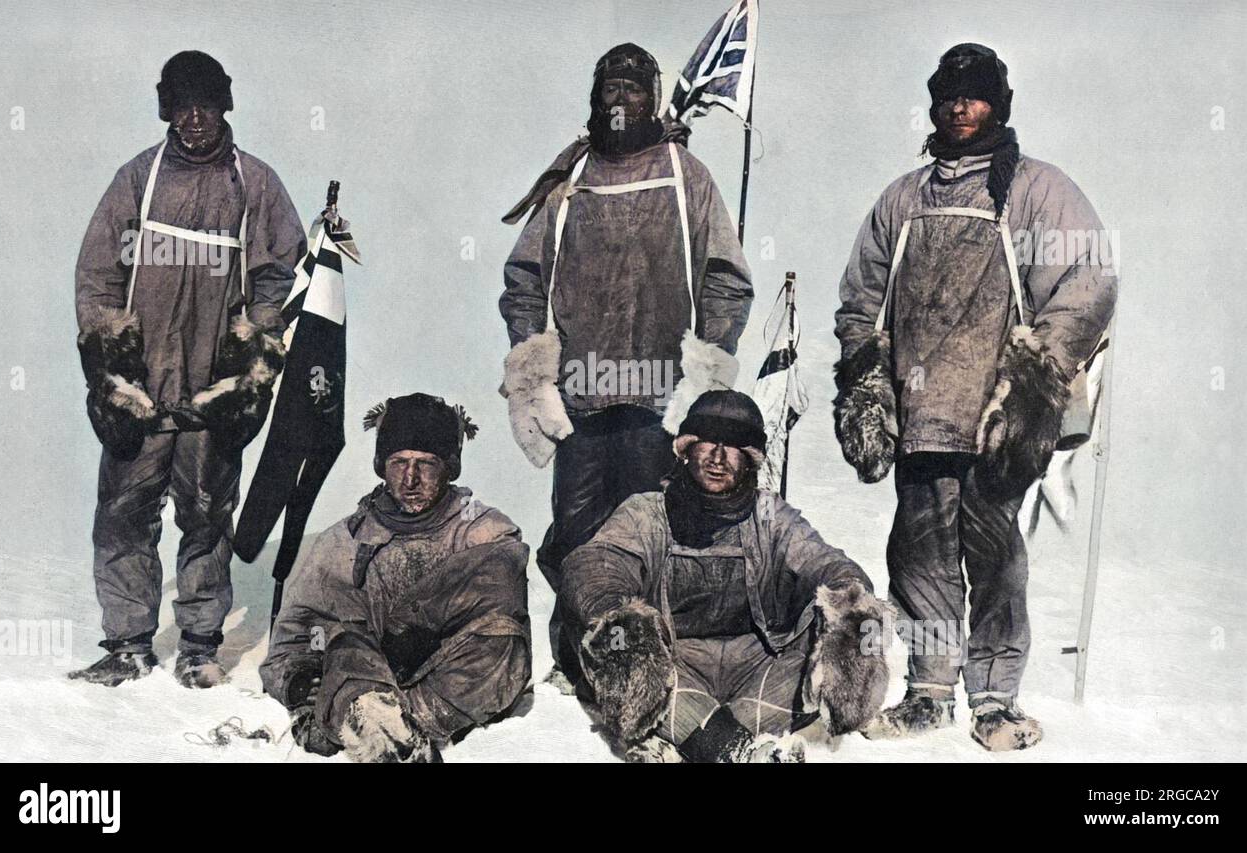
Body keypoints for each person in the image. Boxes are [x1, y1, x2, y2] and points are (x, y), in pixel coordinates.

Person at [833, 43, 1117, 750]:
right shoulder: (904, 199)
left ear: (999, 104)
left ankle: (995, 700)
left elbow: (1089, 281)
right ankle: (930, 692)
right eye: (948, 95)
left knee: (994, 559)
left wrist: (1034, 377)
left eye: (976, 94)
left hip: (998, 423)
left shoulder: (1036, 191)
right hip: (921, 418)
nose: (960, 107)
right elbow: (861, 301)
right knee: (919, 557)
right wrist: (867, 376)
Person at [500, 43, 753, 690]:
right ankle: (581, 656)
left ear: (653, 99)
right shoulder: (571, 178)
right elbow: (525, 278)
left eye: (632, 89)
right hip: (581, 393)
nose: (620, 99)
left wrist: (706, 373)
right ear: (595, 98)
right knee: (579, 531)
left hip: (658, 397)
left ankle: (654, 656)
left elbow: (726, 277)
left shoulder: (682, 174)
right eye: (609, 88)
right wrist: (532, 368)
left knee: (654, 528)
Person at [71, 51, 306, 688]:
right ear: (167, 110)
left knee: (206, 516)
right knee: (122, 514)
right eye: (182, 106)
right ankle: (127, 643)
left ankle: (200, 645)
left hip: (209, 392)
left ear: (224, 105)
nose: (195, 119)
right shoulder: (138, 181)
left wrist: (250, 362)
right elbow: (97, 276)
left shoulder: (253, 184)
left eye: (205, 104)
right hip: (141, 392)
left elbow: (279, 276)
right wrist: (111, 374)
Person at [560, 391, 889, 762]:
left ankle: (702, 743)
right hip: (673, 666)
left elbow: (826, 562)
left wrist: (851, 609)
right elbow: (595, 563)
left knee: (841, 625)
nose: (718, 457)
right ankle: (740, 751)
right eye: (707, 443)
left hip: (758, 667)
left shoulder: (770, 515)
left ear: (749, 460)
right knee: (618, 644)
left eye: (732, 447)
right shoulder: (647, 512)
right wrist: (617, 618)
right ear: (686, 450)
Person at [261, 394, 532, 763]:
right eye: (399, 462)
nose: (411, 478)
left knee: (502, 644)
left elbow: (501, 608)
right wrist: (298, 679)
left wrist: (416, 626)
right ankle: (383, 729)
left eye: (426, 464)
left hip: (449, 677)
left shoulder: (482, 529)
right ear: (381, 466)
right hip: (369, 675)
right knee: (344, 645)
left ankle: (384, 726)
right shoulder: (346, 540)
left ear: (449, 467)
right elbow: (298, 631)